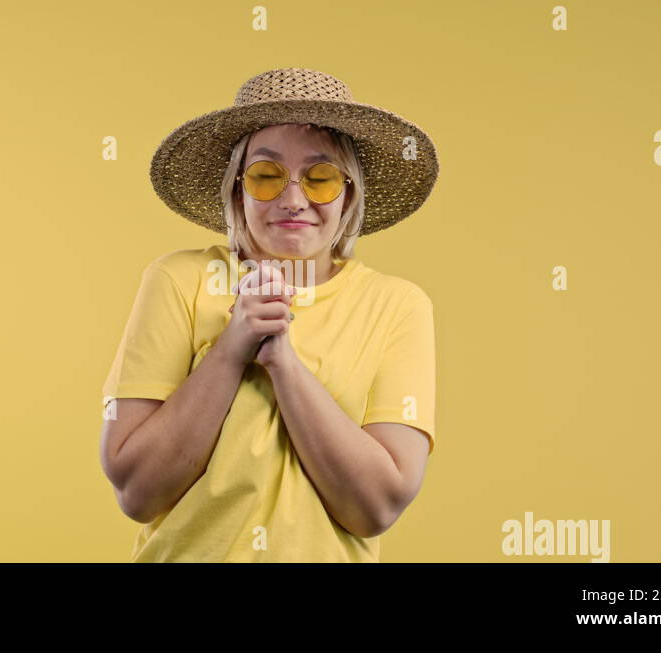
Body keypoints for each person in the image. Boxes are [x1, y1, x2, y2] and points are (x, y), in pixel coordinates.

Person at [100, 67, 440, 562]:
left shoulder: (397, 305)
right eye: (266, 175)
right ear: (238, 191)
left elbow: (377, 507)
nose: (293, 199)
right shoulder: (178, 280)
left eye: (320, 178)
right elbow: (137, 492)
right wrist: (232, 346)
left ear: (348, 194)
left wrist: (282, 361)